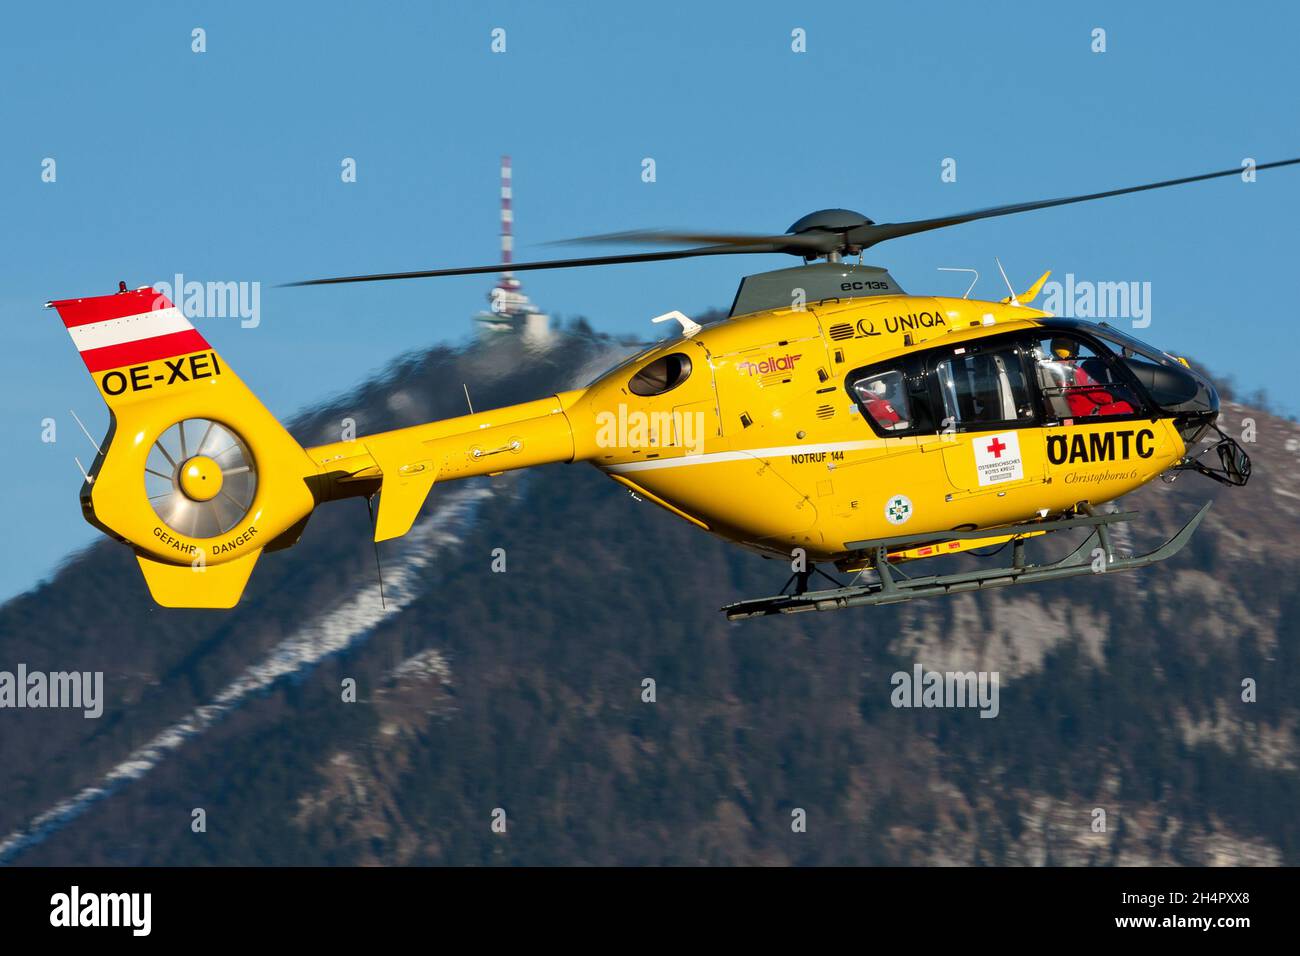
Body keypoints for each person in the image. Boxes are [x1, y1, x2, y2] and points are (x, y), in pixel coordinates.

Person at [1046, 338, 1133, 417]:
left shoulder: (1051, 373)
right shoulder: (1075, 372)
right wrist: (1115, 395)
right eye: (1076, 353)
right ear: (1071, 352)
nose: (1077, 358)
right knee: (1126, 407)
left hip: (1075, 416)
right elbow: (1102, 396)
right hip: (1089, 416)